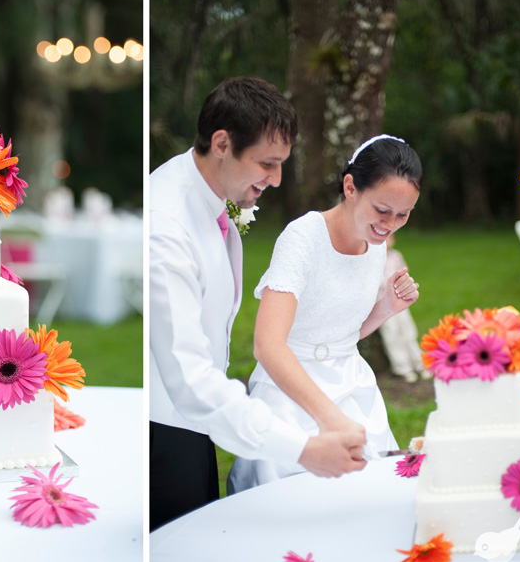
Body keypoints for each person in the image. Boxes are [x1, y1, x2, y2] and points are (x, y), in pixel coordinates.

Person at [150, 76, 367, 531]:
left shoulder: (213, 192)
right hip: (164, 425)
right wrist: (302, 448)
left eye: (283, 164)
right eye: (267, 163)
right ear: (222, 143)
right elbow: (187, 376)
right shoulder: (166, 227)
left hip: (197, 421)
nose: (276, 179)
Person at [227, 134, 422, 493]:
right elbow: (268, 346)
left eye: (403, 215)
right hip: (289, 394)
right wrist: (329, 419)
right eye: (382, 210)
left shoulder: (374, 245)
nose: (390, 225)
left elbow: (337, 335)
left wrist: (385, 310)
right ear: (350, 187)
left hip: (354, 389)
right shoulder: (303, 237)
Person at [378, 233, 428, 382]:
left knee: (407, 331)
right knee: (392, 333)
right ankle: (402, 367)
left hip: (400, 300)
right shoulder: (374, 258)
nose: (387, 241)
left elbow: (404, 273)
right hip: (382, 304)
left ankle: (419, 363)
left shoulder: (395, 256)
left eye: (390, 237)